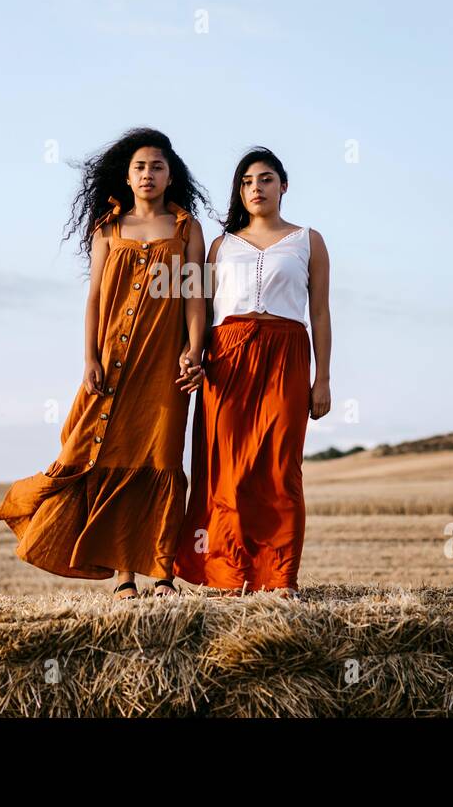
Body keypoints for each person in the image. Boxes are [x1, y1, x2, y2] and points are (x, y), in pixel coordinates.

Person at [0, 127, 209, 599]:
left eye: (156, 166)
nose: (148, 174)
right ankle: (125, 576)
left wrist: (194, 351)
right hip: (113, 363)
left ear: (171, 175)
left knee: (162, 459)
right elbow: (93, 298)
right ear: (127, 177)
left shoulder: (187, 228)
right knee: (108, 457)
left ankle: (162, 572)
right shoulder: (108, 229)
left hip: (164, 363)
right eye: (139, 167)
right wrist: (89, 357)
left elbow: (195, 294)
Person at [173, 146, 331, 598]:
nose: (255, 188)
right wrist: (194, 354)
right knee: (226, 470)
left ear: (283, 186)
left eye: (264, 179)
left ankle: (279, 579)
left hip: (286, 354)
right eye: (246, 182)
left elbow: (319, 313)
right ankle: (228, 577)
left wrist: (323, 379)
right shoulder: (221, 245)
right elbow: (198, 307)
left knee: (282, 468)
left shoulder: (309, 240)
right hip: (227, 357)